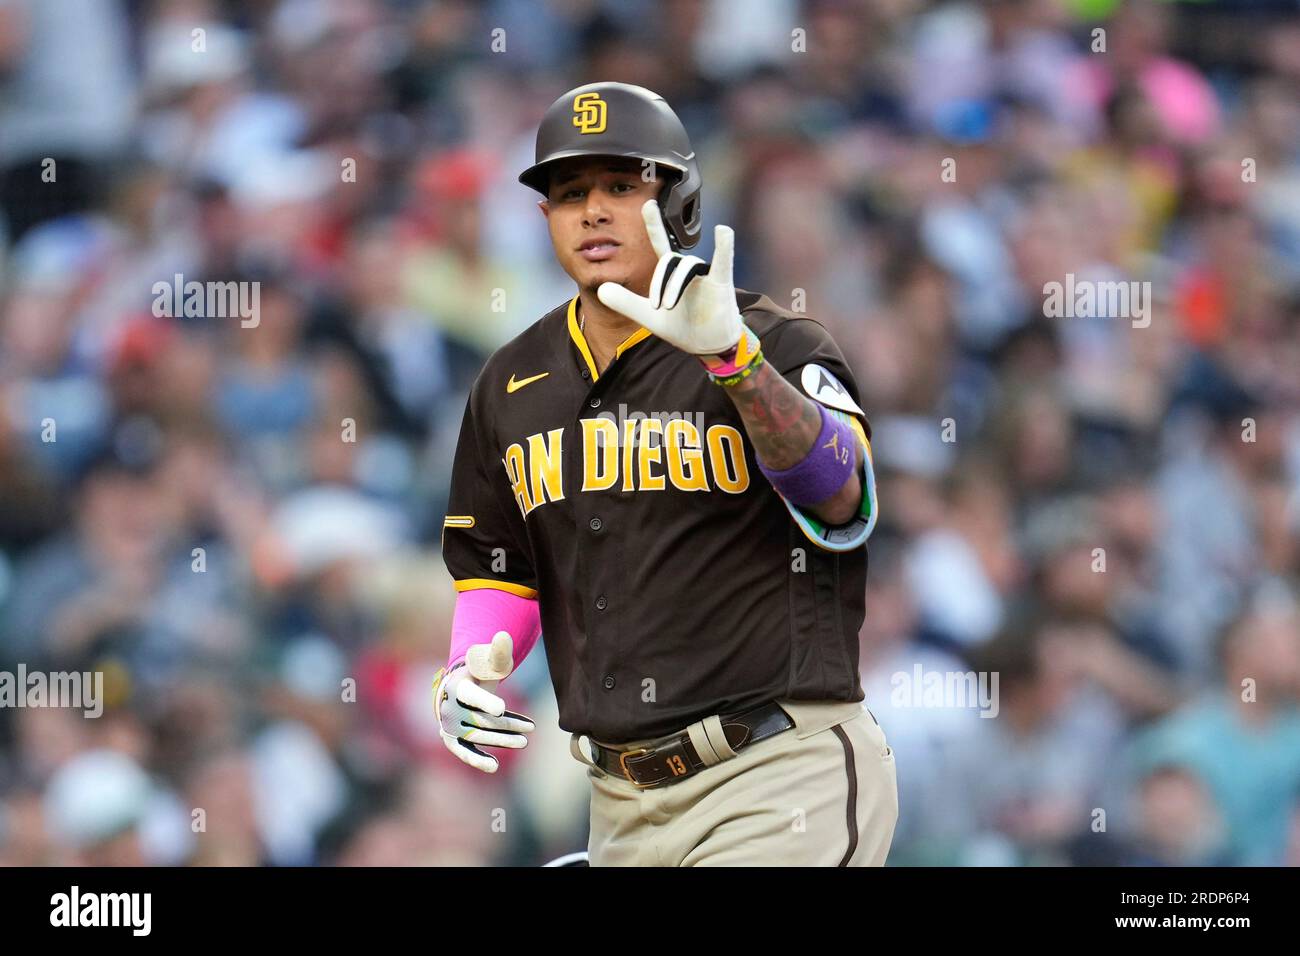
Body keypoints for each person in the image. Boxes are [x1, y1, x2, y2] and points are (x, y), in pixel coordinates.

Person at [432, 82, 896, 866]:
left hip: (775, 778)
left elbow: (842, 496)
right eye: (570, 192)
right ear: (544, 217)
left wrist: (732, 361)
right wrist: (464, 671)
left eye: (622, 184)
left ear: (678, 201)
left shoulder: (775, 342)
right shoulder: (511, 383)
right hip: (617, 806)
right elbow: (497, 572)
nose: (594, 210)